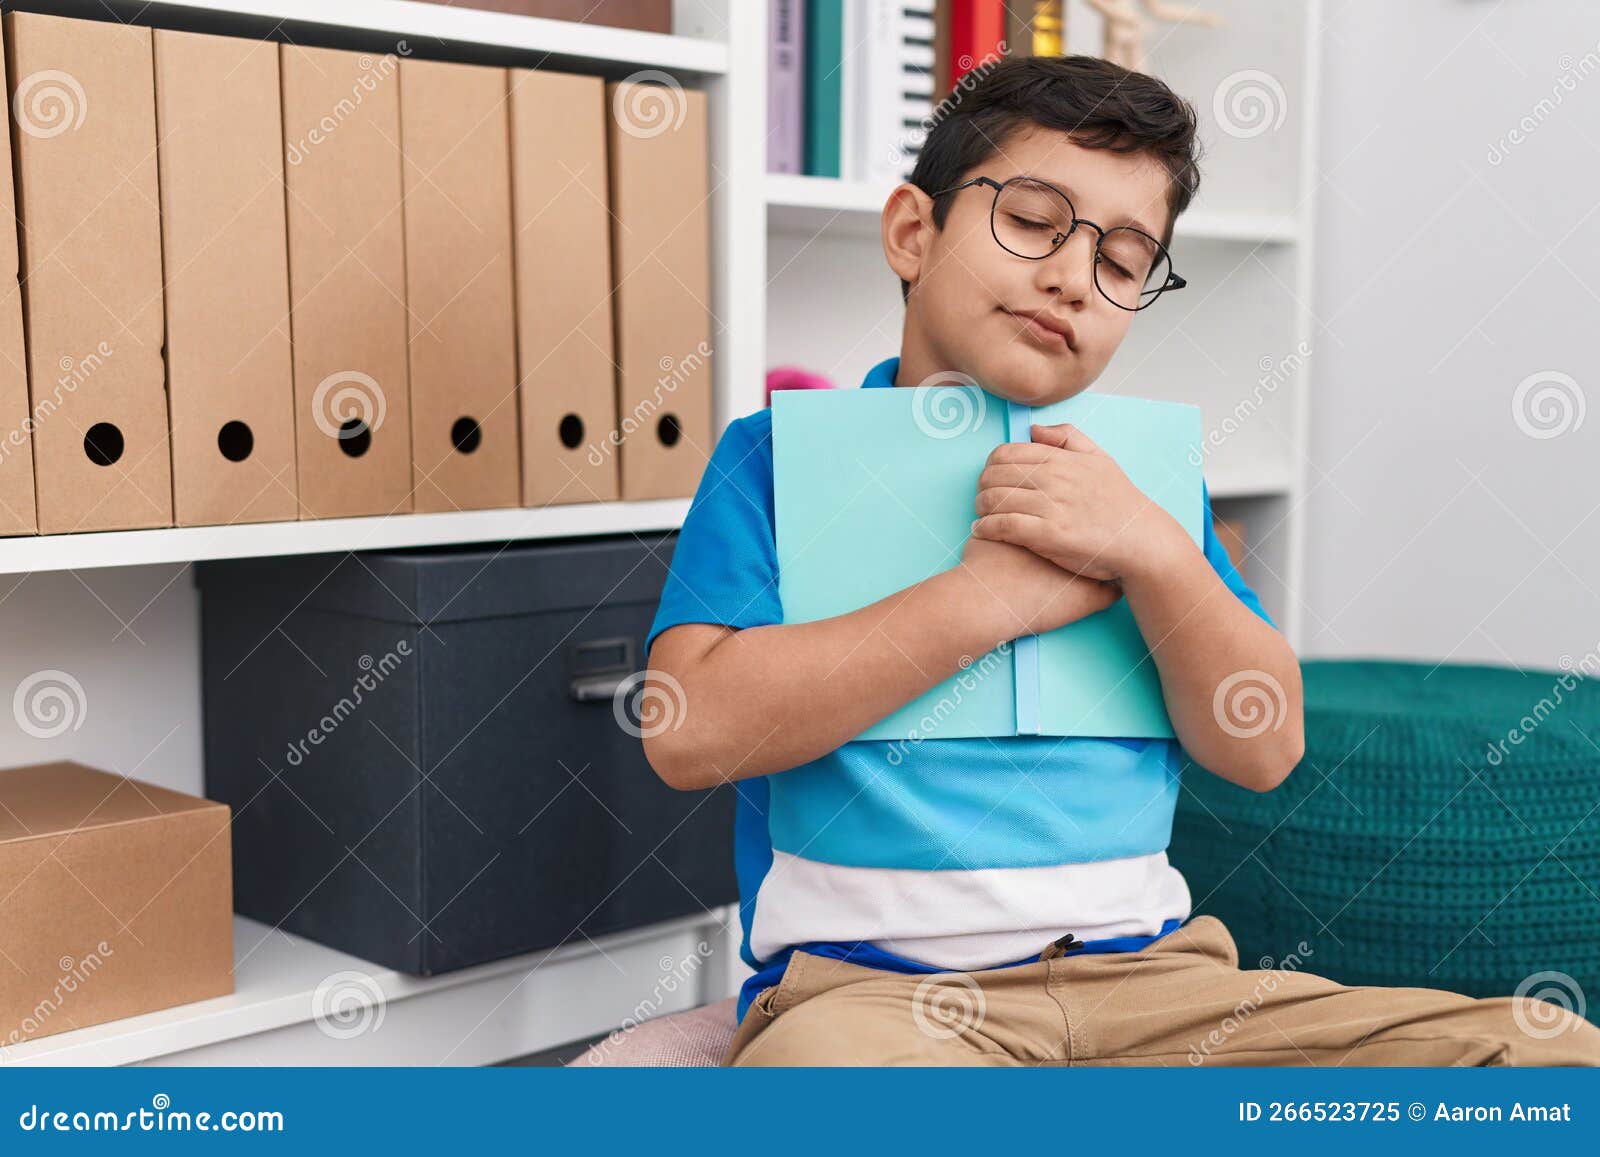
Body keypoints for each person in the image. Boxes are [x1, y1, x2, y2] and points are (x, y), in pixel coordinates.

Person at [641, 54, 1600, 1067]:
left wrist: (1156, 554)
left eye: (1124, 258)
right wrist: (983, 599)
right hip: (879, 995)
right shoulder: (774, 459)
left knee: (1552, 1055)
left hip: (1157, 985)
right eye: (1031, 220)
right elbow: (687, 731)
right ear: (912, 233)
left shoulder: (1140, 492)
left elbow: (1262, 746)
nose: (1071, 277)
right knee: (826, 1080)